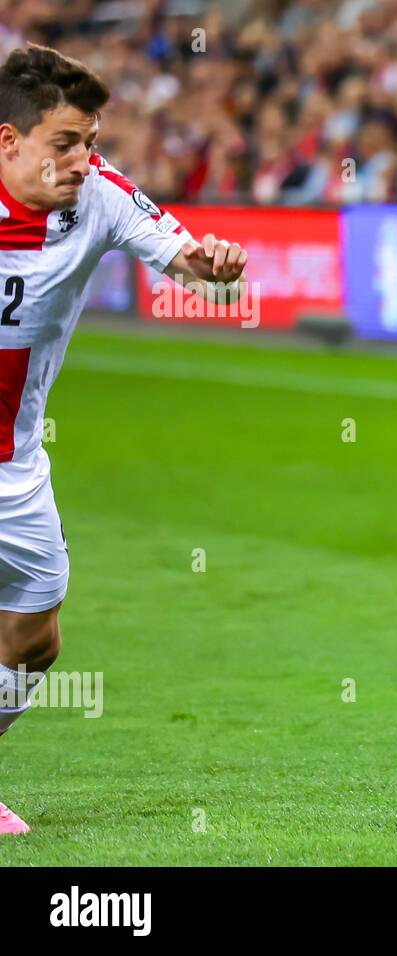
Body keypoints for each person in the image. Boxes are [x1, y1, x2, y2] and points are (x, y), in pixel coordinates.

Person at [0, 44, 250, 835]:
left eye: (91, 141)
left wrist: (214, 264)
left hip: (17, 464)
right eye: (64, 144)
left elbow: (192, 262)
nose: (82, 159)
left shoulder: (100, 196)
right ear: (10, 143)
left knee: (36, 640)